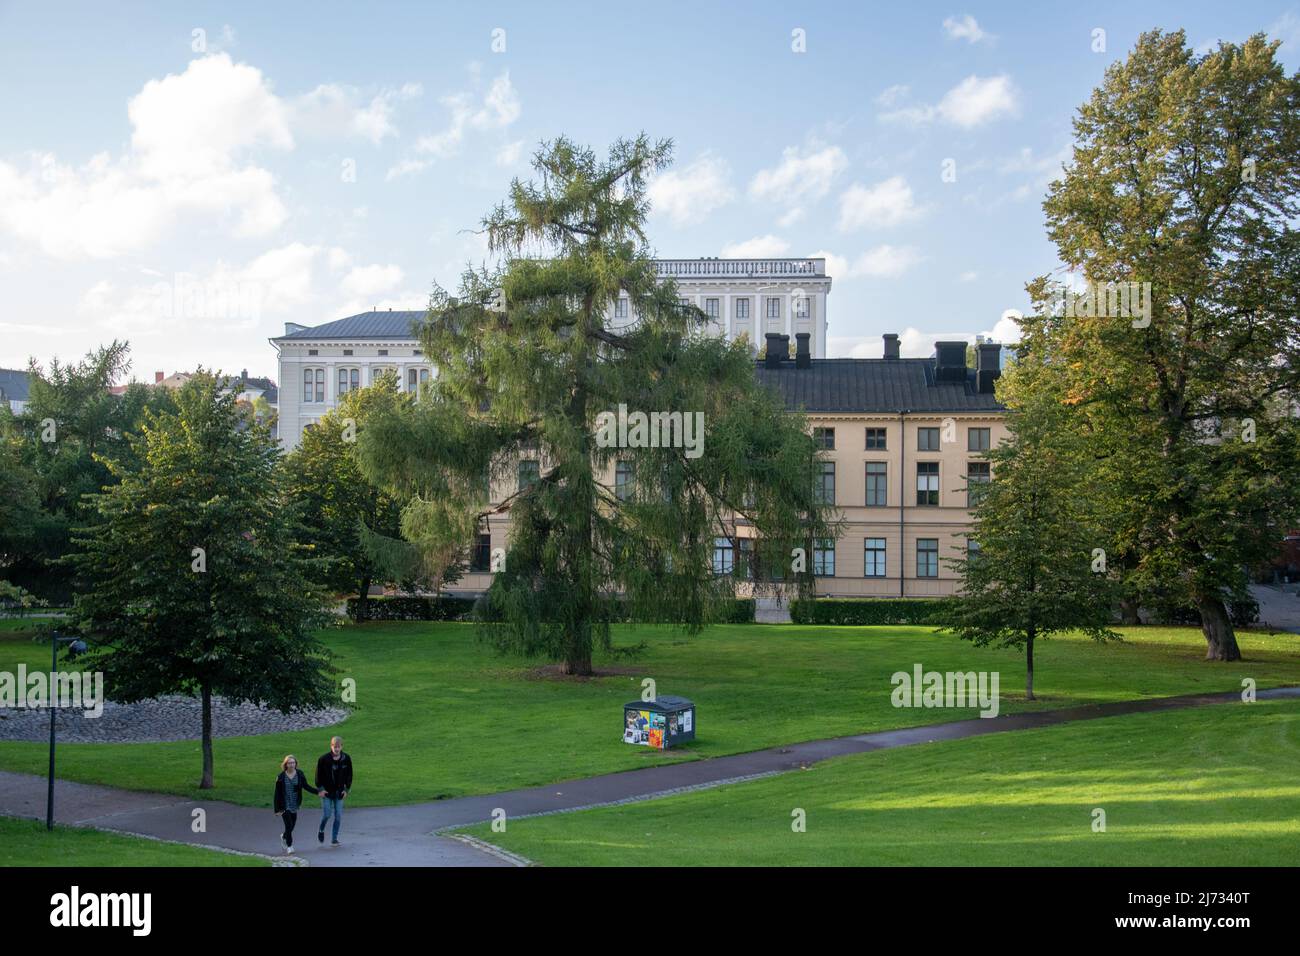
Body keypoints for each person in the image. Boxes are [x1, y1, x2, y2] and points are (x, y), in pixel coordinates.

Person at [272, 754, 320, 854]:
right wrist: (277, 809)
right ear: (286, 764)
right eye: (289, 763)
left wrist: (318, 792)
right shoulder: (281, 777)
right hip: (284, 804)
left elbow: (306, 786)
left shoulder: (300, 774)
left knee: (292, 826)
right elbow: (277, 794)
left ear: (296, 764)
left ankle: (284, 836)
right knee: (289, 825)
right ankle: (289, 846)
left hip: (295, 803)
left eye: (293, 762)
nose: (292, 765)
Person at [315, 736, 353, 846]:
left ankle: (334, 838)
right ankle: (321, 829)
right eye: (334, 747)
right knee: (327, 814)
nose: (336, 749)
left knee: (338, 816)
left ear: (342, 747)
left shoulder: (346, 758)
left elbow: (349, 775)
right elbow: (318, 777)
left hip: (339, 792)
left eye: (338, 747)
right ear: (331, 746)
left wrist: (346, 789)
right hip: (327, 792)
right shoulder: (323, 759)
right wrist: (320, 789)